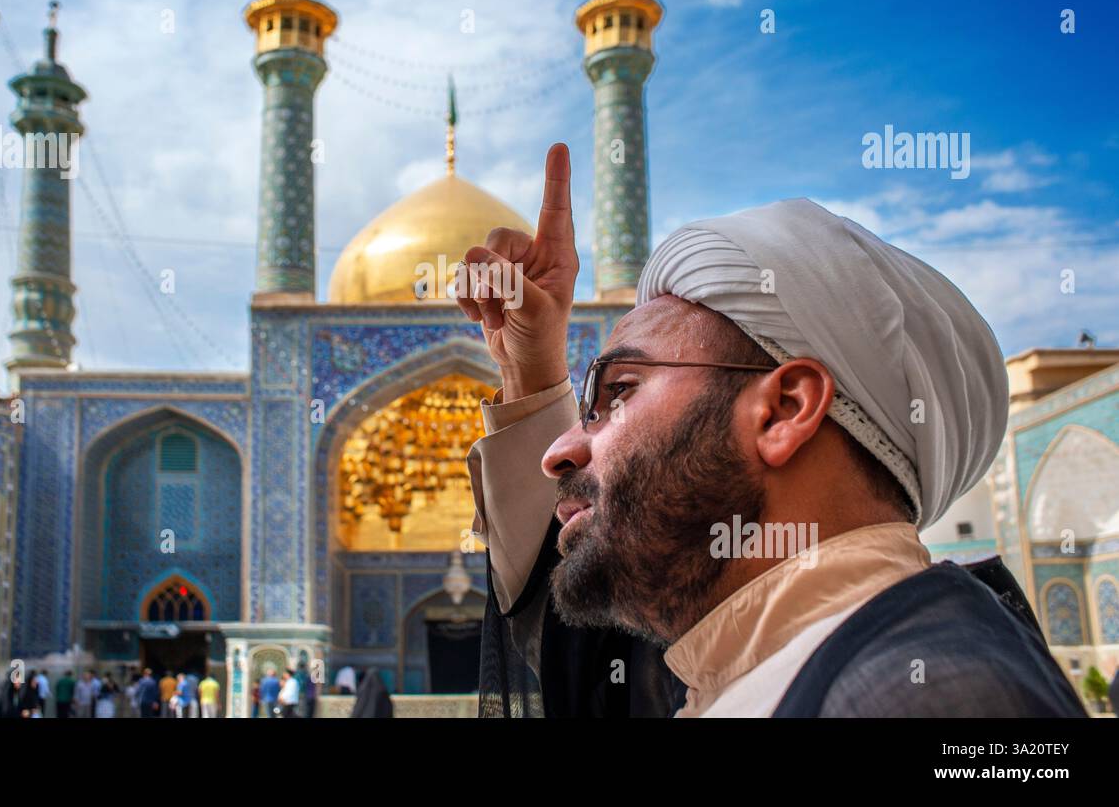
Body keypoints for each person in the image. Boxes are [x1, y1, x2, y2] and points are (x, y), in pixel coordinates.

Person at [457, 143, 1087, 718]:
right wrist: (530, 370)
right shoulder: (738, 666)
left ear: (784, 411)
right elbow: (583, 660)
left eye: (620, 391)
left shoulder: (933, 698)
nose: (560, 451)